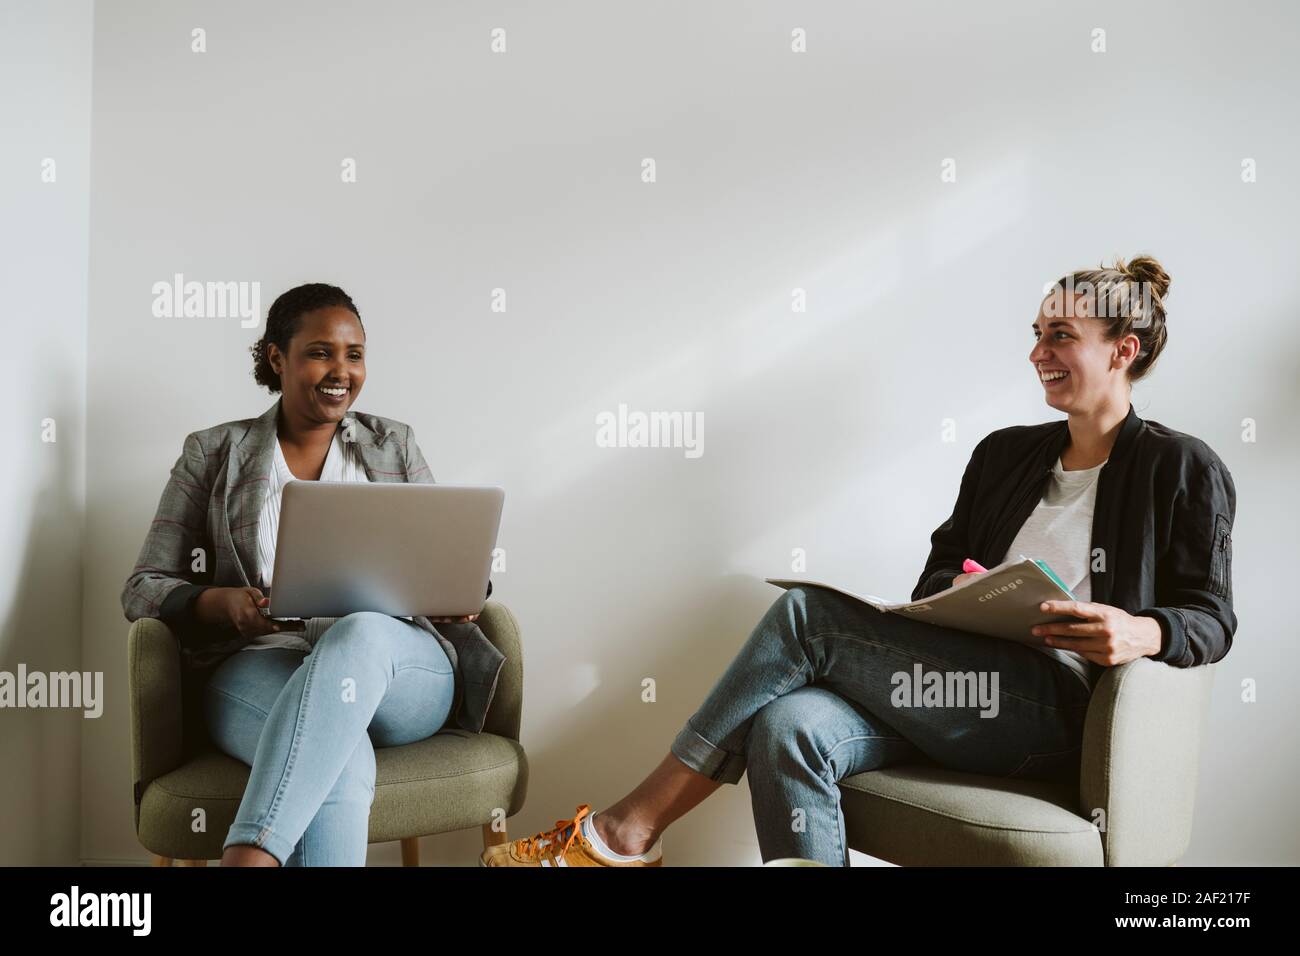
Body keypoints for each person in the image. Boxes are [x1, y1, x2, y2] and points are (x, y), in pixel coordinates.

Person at [483, 254, 1237, 867]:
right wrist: (971, 591)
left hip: (1057, 713)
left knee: (807, 614)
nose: (1037, 352)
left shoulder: (1181, 468)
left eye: (1061, 334)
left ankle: (626, 831)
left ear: (1123, 350)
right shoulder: (1005, 455)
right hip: (957, 688)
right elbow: (938, 575)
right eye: (1036, 332)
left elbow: (1212, 616)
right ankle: (629, 837)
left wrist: (1140, 632)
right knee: (787, 723)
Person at [121, 283, 502, 866]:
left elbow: (450, 557)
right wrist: (220, 603)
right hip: (262, 666)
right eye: (321, 352)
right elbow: (144, 585)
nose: (341, 371)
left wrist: (458, 593)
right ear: (278, 358)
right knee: (339, 759)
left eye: (354, 354)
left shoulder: (393, 444)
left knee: (360, 633)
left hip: (398, 674)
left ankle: (248, 857)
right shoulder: (214, 452)